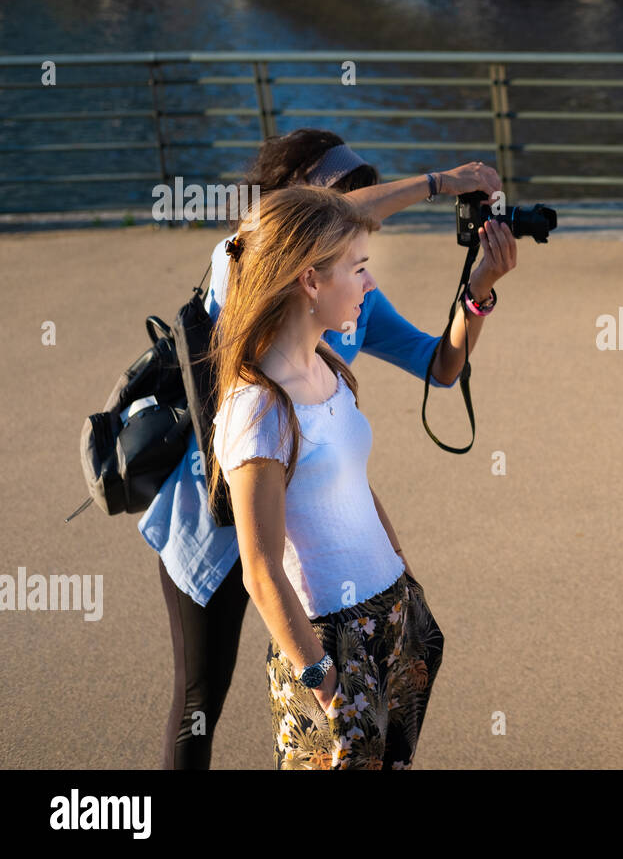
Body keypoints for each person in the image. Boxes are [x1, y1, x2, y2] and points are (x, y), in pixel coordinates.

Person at [141, 129, 515, 769]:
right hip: (218, 517)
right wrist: (439, 184)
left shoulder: (350, 307)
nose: (351, 211)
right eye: (334, 200)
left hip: (309, 525)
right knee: (202, 696)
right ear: (304, 252)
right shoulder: (247, 256)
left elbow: (441, 364)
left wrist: (477, 291)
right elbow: (323, 229)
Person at [209, 185, 482, 768]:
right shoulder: (256, 406)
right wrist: (324, 681)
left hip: (395, 616)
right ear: (310, 280)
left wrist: (407, 583)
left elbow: (355, 482)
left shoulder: (328, 365)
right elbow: (260, 570)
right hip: (333, 638)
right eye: (358, 268)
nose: (370, 284)